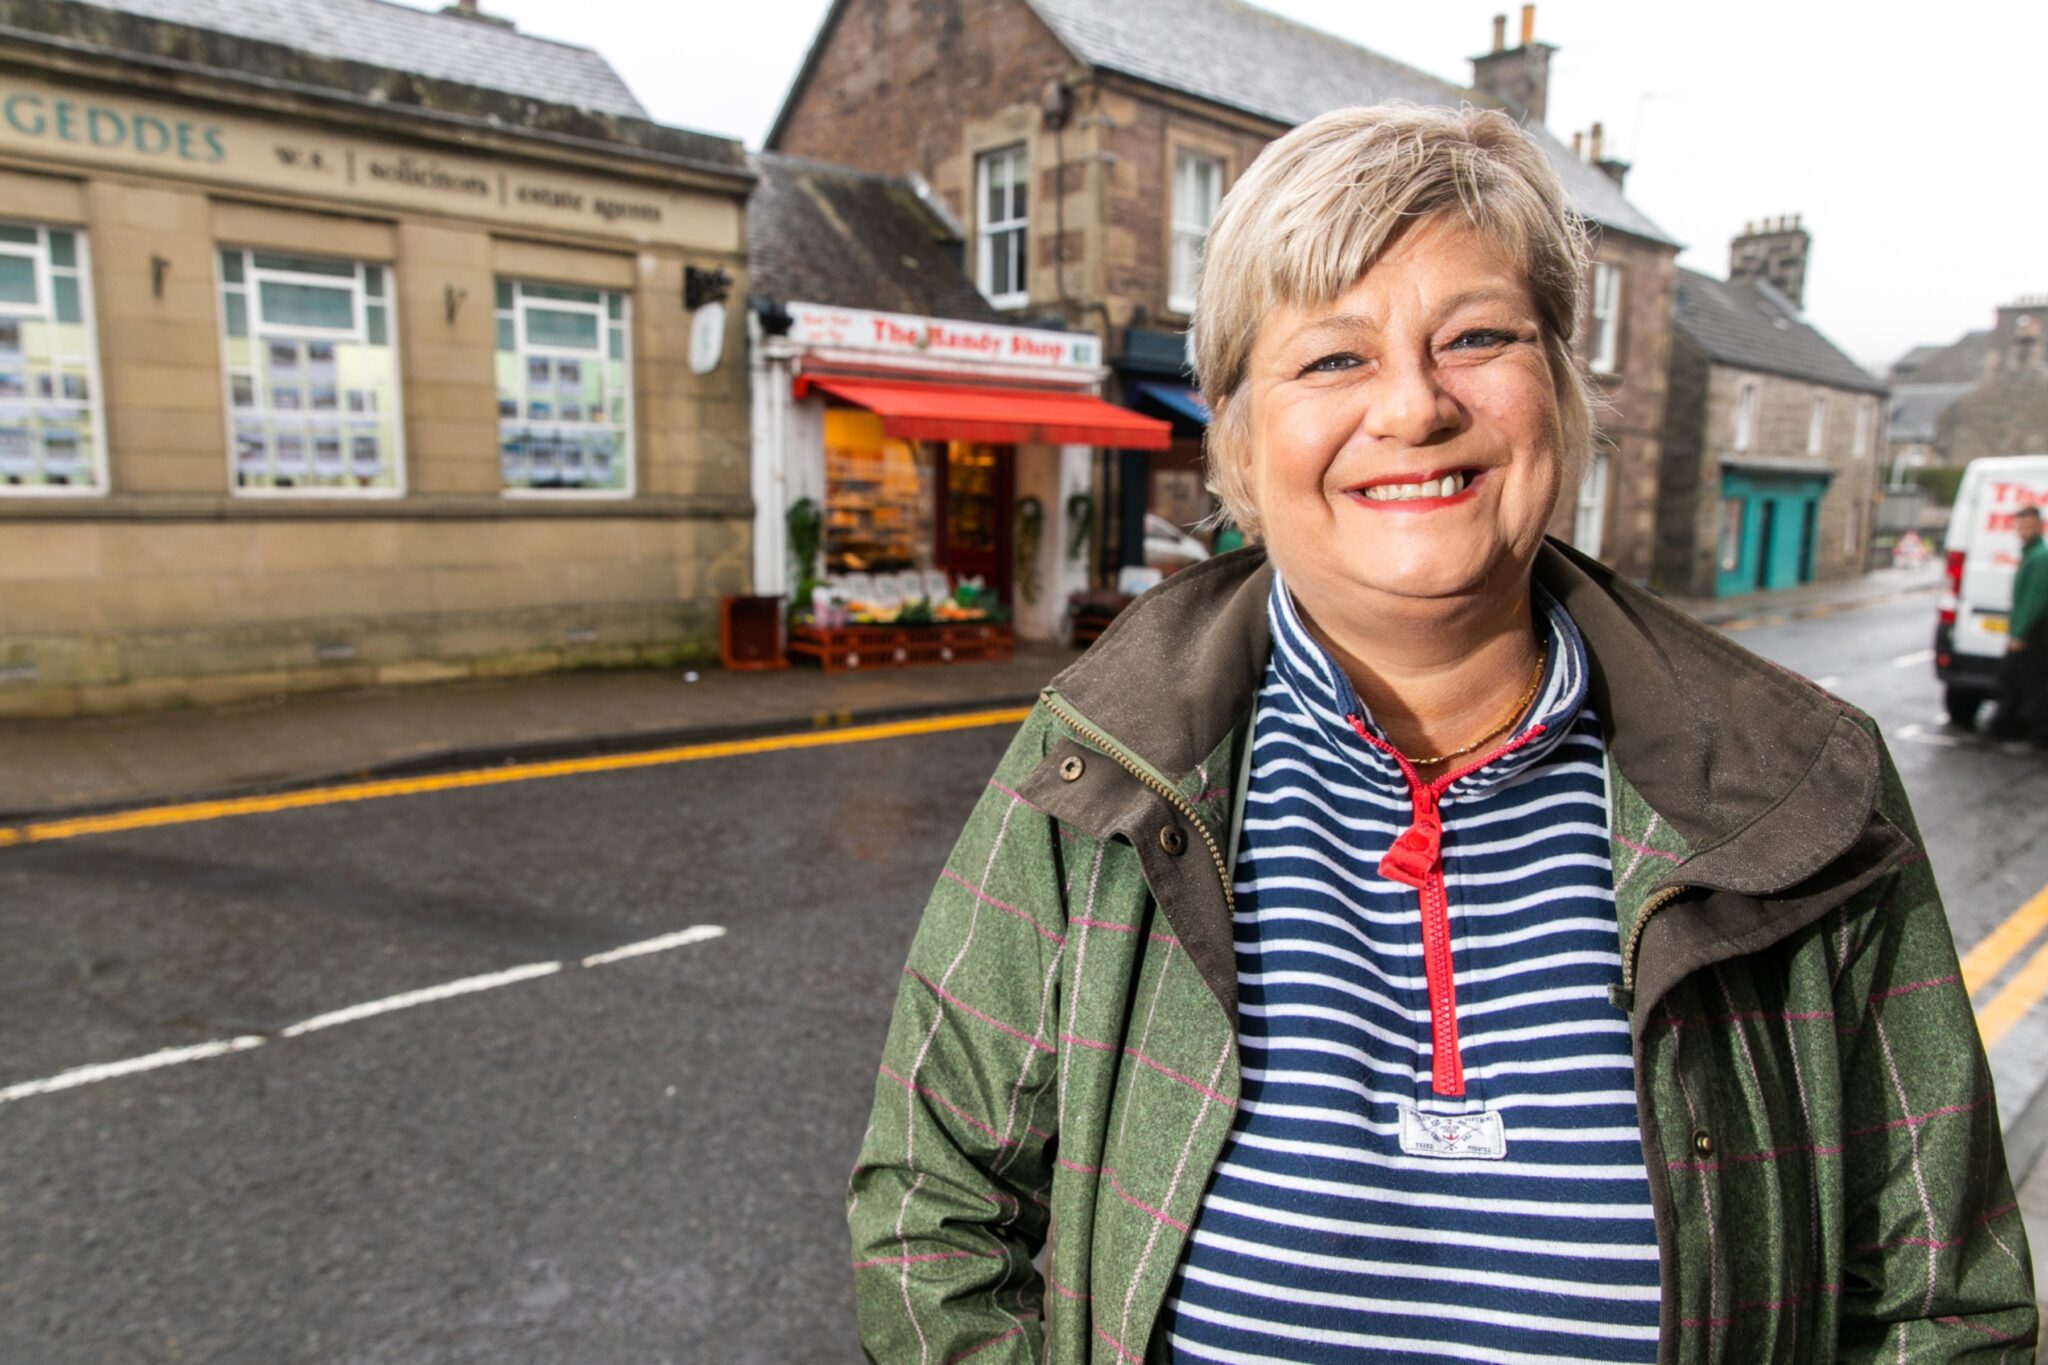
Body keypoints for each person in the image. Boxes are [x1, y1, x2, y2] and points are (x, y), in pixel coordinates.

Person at [847, 104, 2035, 1362]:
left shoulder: (1808, 794)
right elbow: (930, 1218)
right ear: (1240, 441)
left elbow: (1944, 1305)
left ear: (1563, 391)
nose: (1413, 407)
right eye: (1331, 359)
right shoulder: (1091, 771)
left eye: (1475, 337)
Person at [1993, 503, 2047, 744]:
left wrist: (2019, 634)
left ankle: (2034, 733)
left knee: (2028, 683)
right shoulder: (2031, 553)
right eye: (2020, 527)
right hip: (2028, 632)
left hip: (2034, 634)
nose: (2023, 532)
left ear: (2039, 526)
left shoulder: (2040, 557)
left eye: (2028, 527)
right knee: (2017, 681)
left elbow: (2033, 599)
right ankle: (2012, 729)